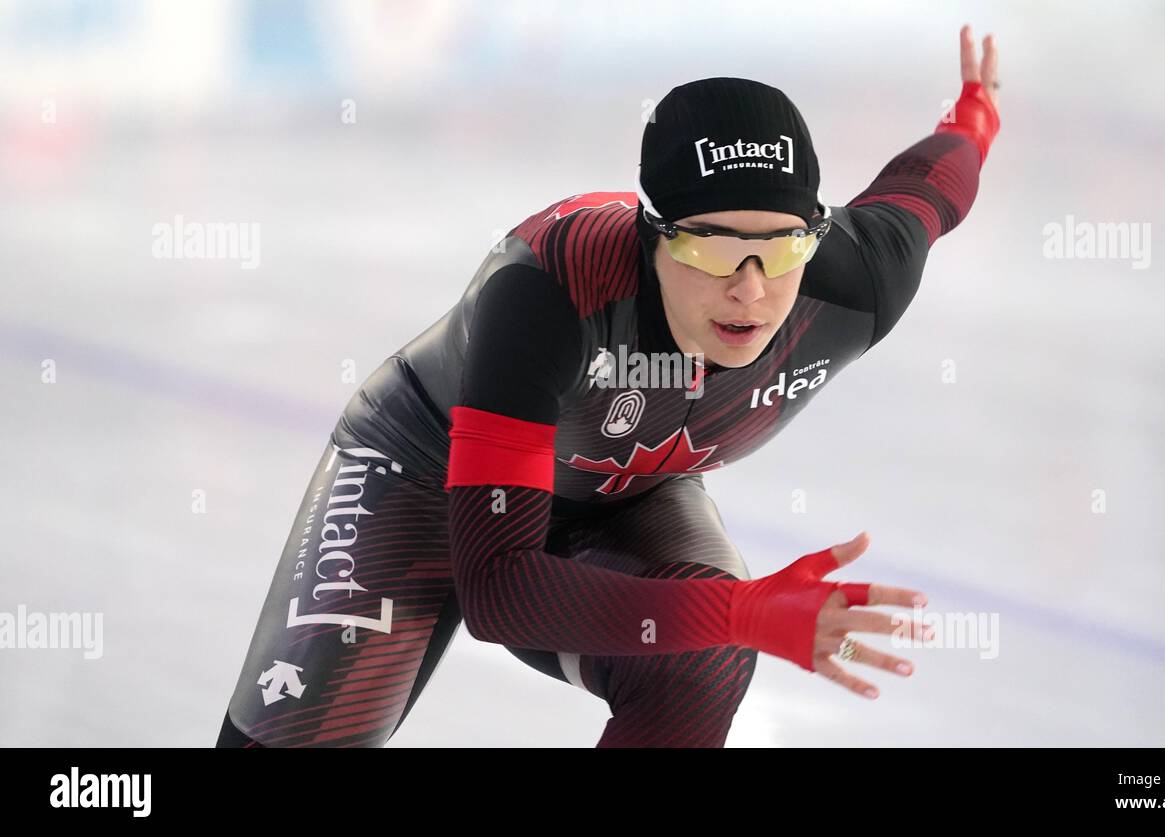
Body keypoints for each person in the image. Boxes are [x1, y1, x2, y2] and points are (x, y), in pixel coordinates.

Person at [216, 25, 1001, 748]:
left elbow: (930, 190)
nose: (752, 291)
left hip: (625, 491)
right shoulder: (551, 290)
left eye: (783, 247)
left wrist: (973, 120)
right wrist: (744, 607)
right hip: (422, 471)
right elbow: (498, 588)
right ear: (649, 234)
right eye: (713, 251)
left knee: (704, 657)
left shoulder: (854, 283)